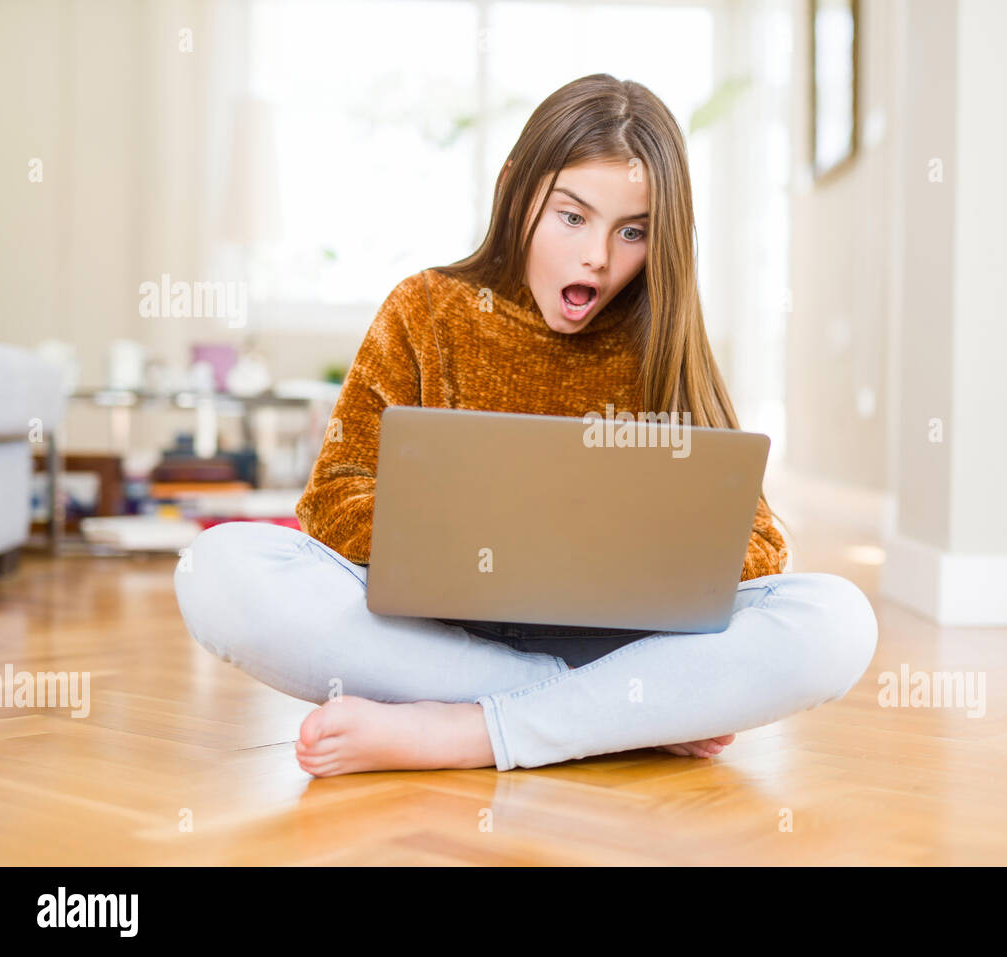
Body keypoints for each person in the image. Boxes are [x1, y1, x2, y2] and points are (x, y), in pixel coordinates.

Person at [174, 74, 878, 774]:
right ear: (516, 190)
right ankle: (610, 714)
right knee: (218, 570)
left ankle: (467, 732)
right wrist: (459, 544)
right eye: (572, 217)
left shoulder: (660, 342)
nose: (598, 257)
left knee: (838, 623)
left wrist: (630, 558)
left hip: (616, 642)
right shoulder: (425, 309)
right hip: (435, 636)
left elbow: (757, 542)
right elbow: (332, 497)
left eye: (633, 231)